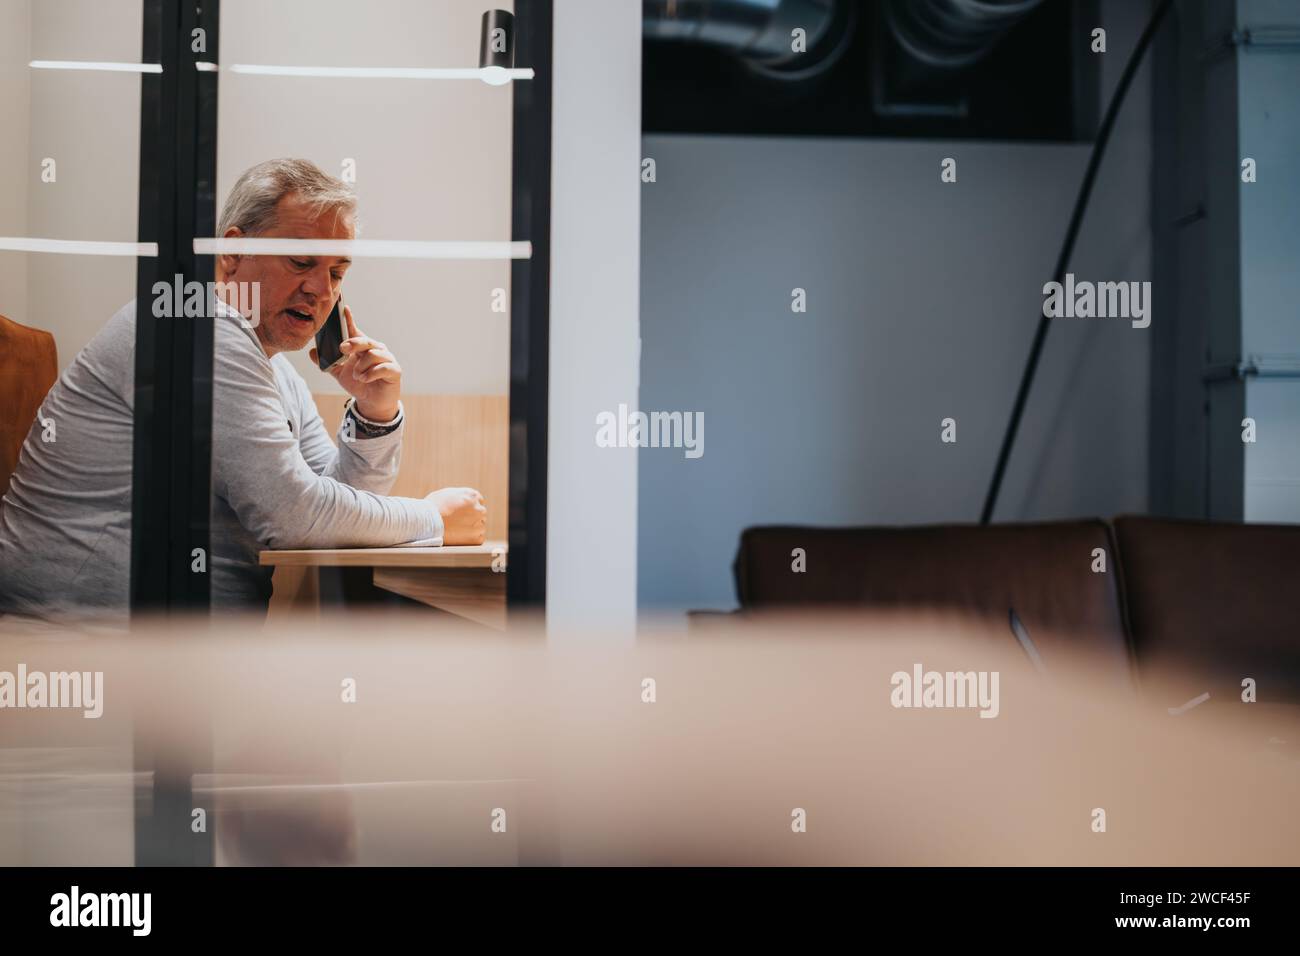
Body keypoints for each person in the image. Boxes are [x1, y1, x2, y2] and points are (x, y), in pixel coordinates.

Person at [0, 158, 486, 624]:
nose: (322, 290)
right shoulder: (197, 326)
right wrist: (433, 519)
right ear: (231, 253)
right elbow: (295, 518)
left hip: (164, 648)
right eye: (301, 262)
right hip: (79, 640)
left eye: (337, 272)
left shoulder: (276, 371)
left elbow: (337, 519)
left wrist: (374, 415)